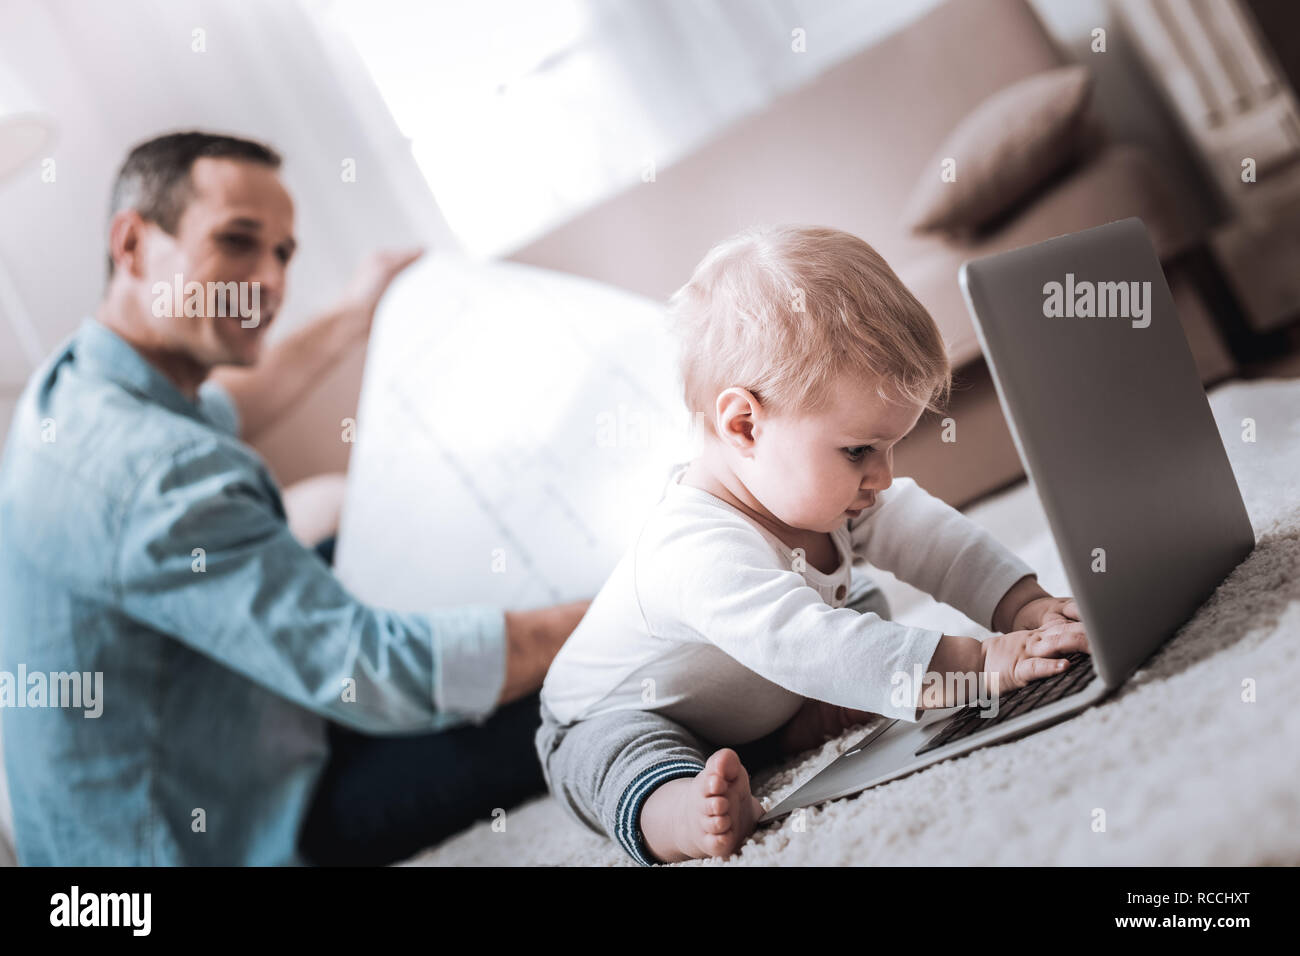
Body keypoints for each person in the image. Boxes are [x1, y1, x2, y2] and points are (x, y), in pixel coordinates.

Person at [0, 131, 587, 866]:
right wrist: (610, 610)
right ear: (133, 243)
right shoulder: (152, 475)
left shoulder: (85, 383)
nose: (269, 280)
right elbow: (378, 674)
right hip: (221, 836)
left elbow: (227, 405)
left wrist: (356, 308)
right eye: (239, 241)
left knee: (420, 543)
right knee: (589, 683)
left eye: (282, 254)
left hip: (204, 734)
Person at [535, 225, 1091, 865]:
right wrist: (981, 663)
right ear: (744, 425)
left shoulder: (823, 494)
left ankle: (797, 722)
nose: (882, 476)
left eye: (890, 447)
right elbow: (803, 641)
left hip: (755, 692)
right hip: (610, 718)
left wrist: (1023, 607)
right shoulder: (692, 550)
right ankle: (684, 815)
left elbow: (937, 541)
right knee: (628, 753)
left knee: (866, 611)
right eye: (858, 450)